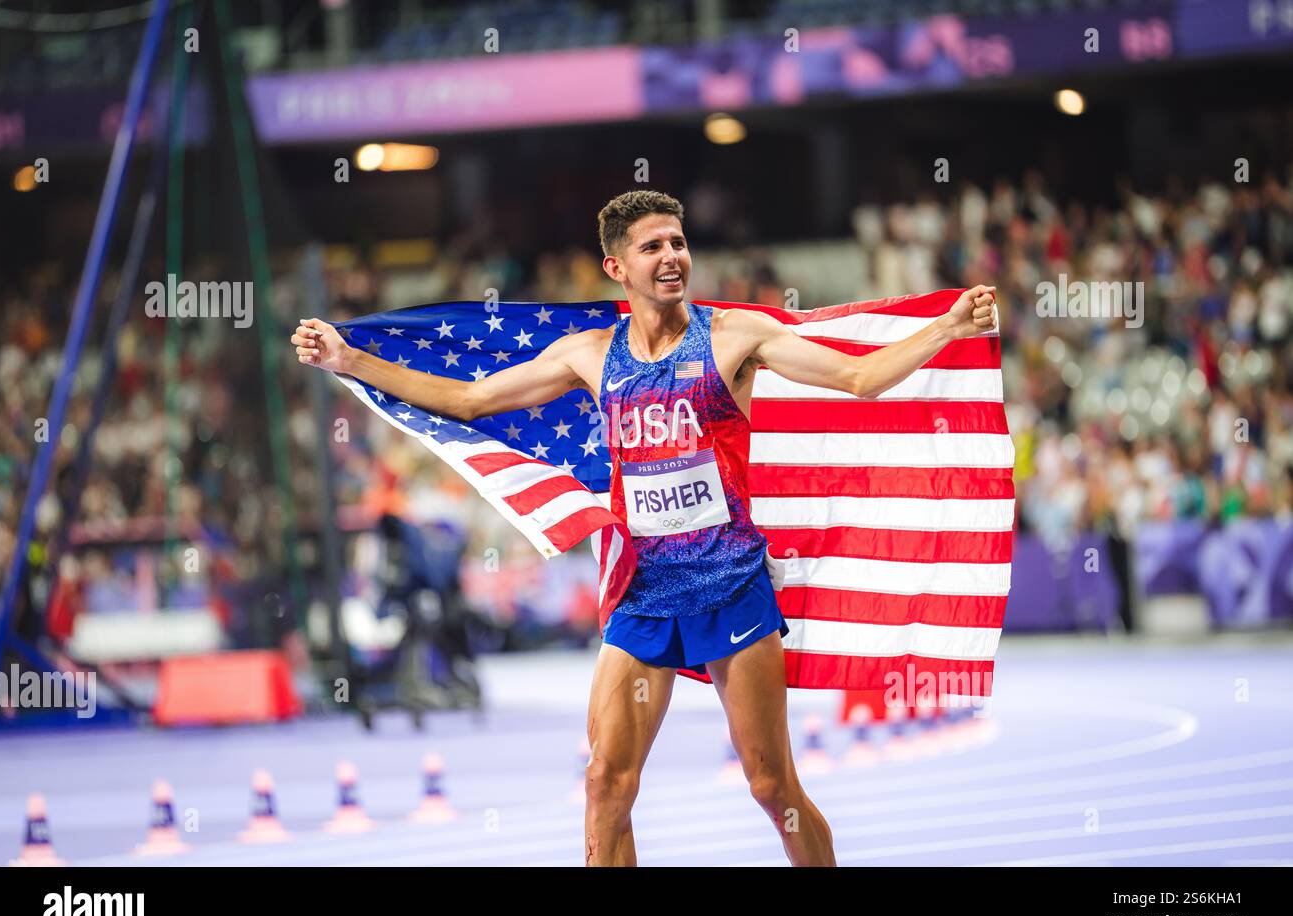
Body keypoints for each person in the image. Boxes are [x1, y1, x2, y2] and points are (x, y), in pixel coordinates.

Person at [292, 190, 997, 866]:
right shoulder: (590, 354)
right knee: (606, 782)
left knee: (771, 785)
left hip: (731, 588)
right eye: (652, 245)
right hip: (644, 595)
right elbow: (471, 399)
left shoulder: (734, 337)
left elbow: (858, 380)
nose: (671, 256)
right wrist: (350, 361)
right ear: (616, 268)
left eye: (679, 242)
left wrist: (948, 327)